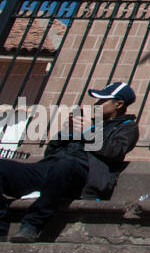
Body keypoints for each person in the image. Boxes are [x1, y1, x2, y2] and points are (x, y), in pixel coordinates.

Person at [0, 81, 139, 242]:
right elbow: (50, 152)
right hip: (53, 167)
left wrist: (89, 131)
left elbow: (115, 152)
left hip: (82, 173)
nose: (97, 105)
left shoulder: (127, 127)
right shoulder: (86, 121)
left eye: (102, 101)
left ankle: (32, 224)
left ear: (119, 104)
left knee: (65, 164)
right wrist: (65, 132)